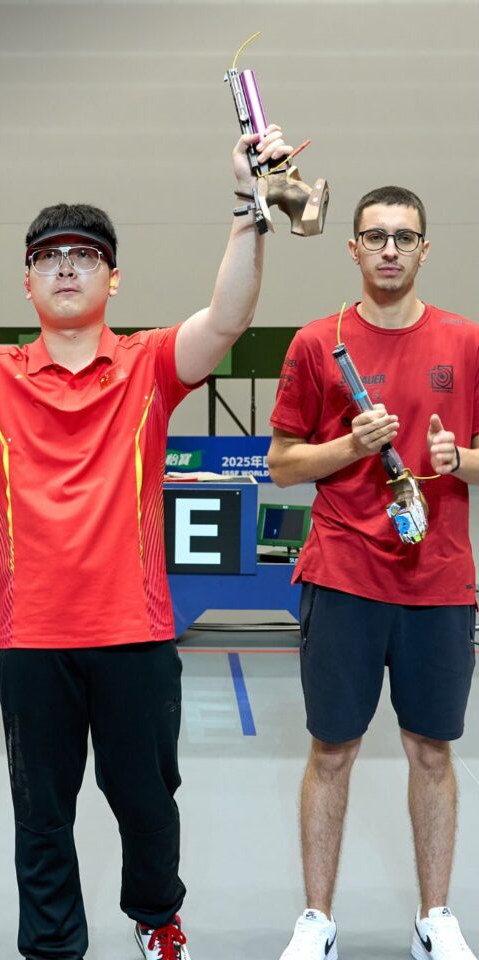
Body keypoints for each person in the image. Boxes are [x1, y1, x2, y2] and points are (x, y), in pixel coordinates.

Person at [0, 98, 291, 960]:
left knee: (148, 800)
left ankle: (156, 916)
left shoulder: (150, 366)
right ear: (26, 282)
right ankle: (53, 947)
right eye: (47, 259)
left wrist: (249, 208)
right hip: (34, 638)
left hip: (135, 632)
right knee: (40, 813)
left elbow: (227, 320)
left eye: (84, 258)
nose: (65, 269)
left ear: (111, 279)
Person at [269, 185, 478, 960]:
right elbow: (284, 466)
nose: (390, 248)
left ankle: (435, 918)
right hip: (343, 577)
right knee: (332, 750)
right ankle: (317, 920)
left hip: (440, 584)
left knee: (432, 751)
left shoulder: (467, 340)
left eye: (405, 236)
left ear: (426, 249)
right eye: (375, 236)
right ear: (351, 248)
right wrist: (350, 448)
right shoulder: (315, 345)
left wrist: (467, 460)